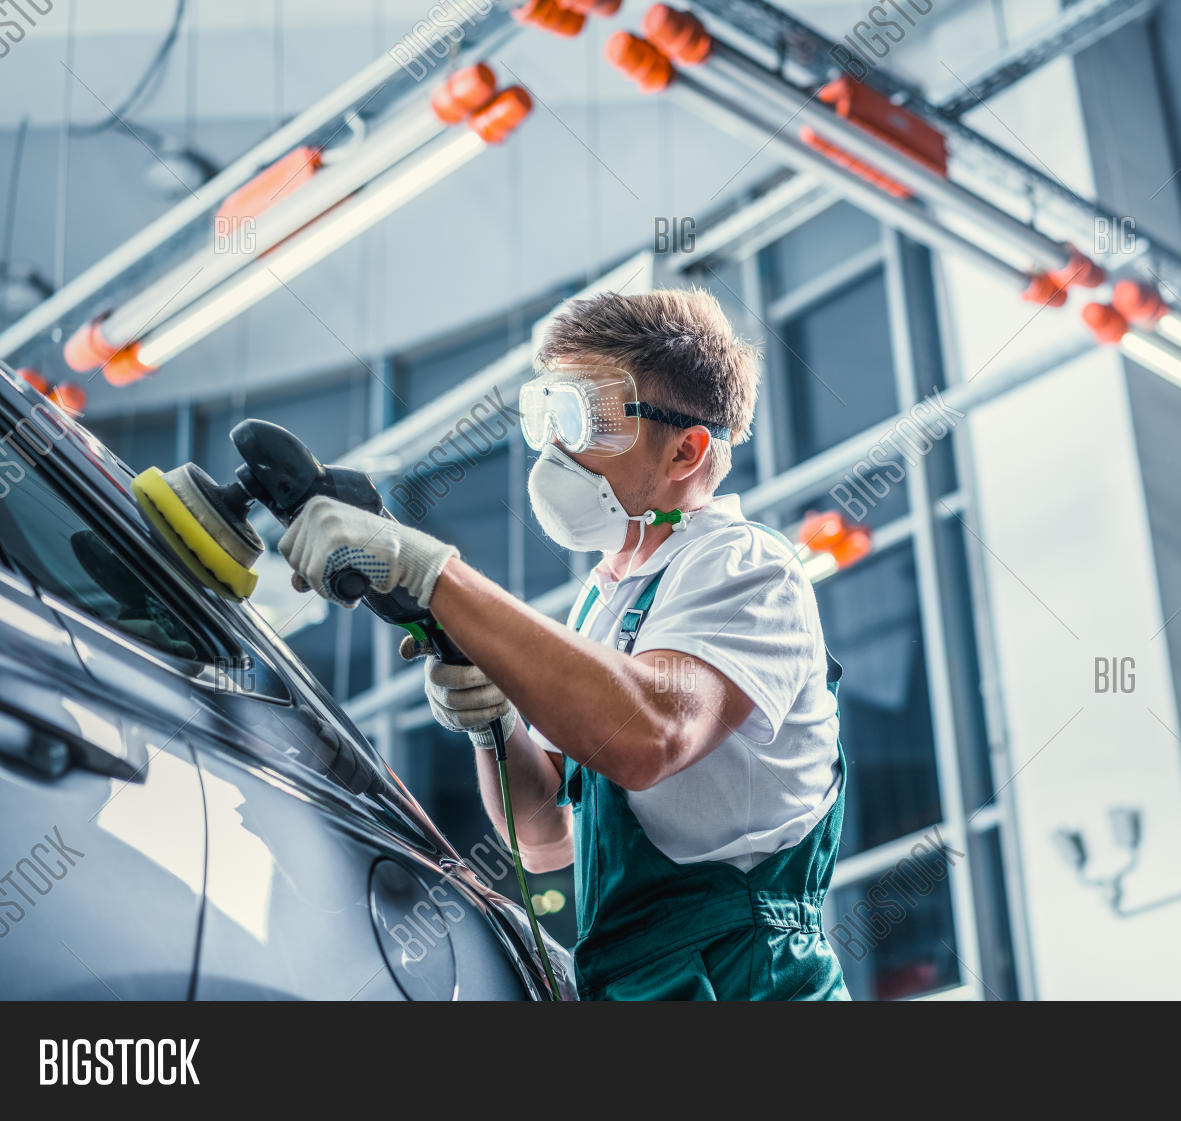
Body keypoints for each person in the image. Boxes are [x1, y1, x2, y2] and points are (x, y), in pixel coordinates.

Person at [279, 288, 848, 1000]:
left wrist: (434, 572)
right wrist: (494, 724)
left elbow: (649, 733)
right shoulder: (602, 606)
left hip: (747, 978)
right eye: (548, 415)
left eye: (587, 419)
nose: (556, 448)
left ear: (685, 449)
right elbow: (545, 836)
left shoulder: (745, 565)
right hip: (636, 980)